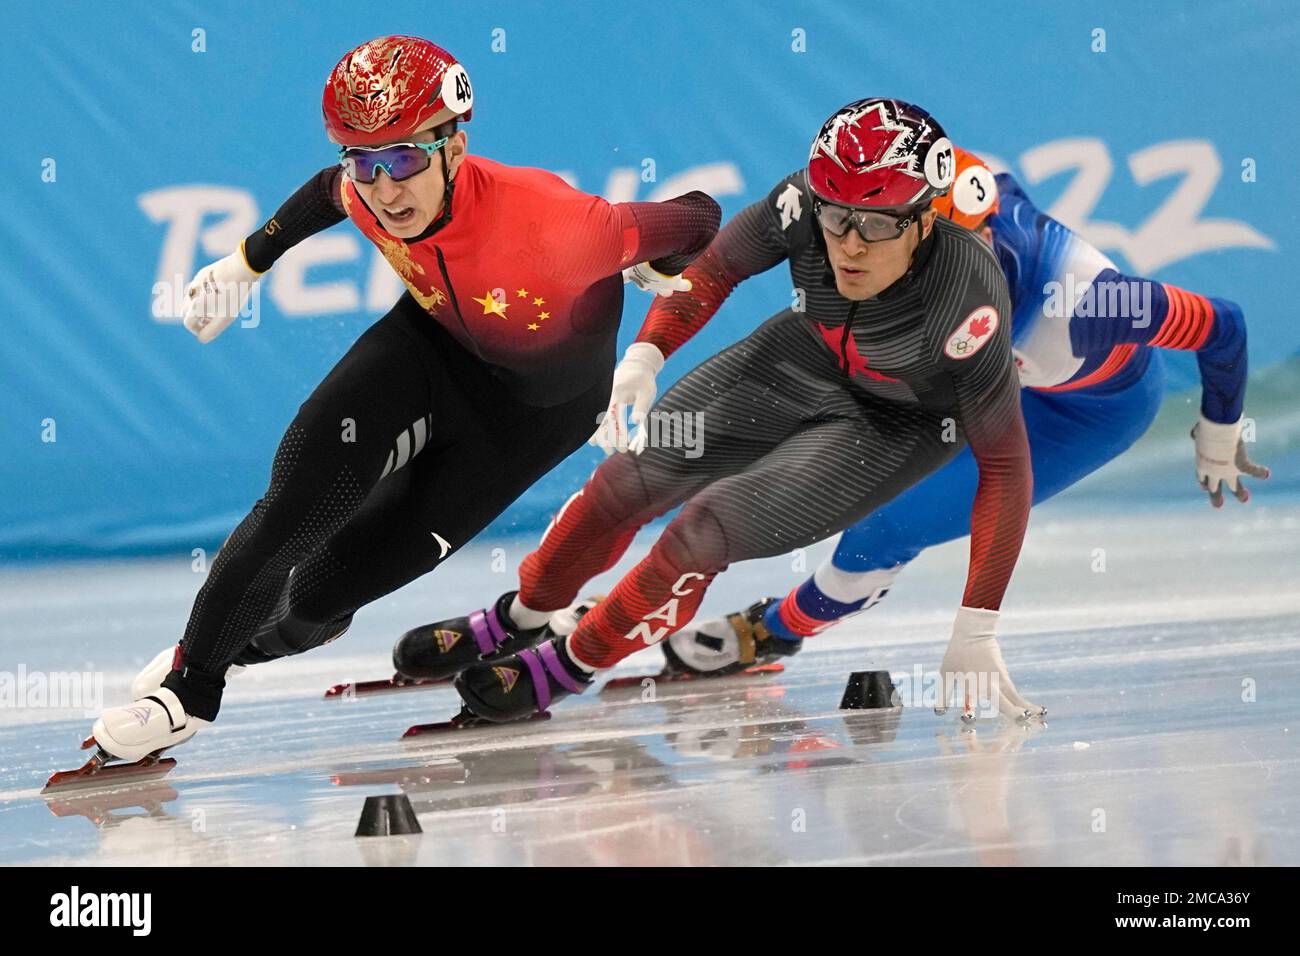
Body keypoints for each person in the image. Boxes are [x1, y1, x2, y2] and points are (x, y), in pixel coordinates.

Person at [86, 35, 720, 766]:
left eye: (405, 159)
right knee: (295, 503)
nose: (386, 190)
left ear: (456, 145)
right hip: (429, 353)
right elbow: (329, 190)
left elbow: (701, 214)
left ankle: (260, 638)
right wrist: (248, 258)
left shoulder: (562, 226)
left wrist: (654, 256)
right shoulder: (360, 189)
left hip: (527, 421)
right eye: (366, 160)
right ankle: (189, 688)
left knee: (324, 595)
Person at [400, 98, 1040, 723]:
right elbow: (715, 267)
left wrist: (979, 624)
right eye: (836, 216)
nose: (849, 244)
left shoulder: (967, 299)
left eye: (875, 224)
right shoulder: (801, 204)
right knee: (627, 478)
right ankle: (520, 618)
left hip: (897, 421)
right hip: (804, 358)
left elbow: (1007, 468)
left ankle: (573, 661)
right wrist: (646, 355)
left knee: (700, 531)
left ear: (925, 220)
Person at [660, 149, 1269, 716]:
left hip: (1087, 411)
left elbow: (1226, 327)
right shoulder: (888, 244)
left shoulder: (1091, 306)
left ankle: (774, 630)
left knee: (884, 530)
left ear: (984, 235)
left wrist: (1219, 428)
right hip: (977, 376)